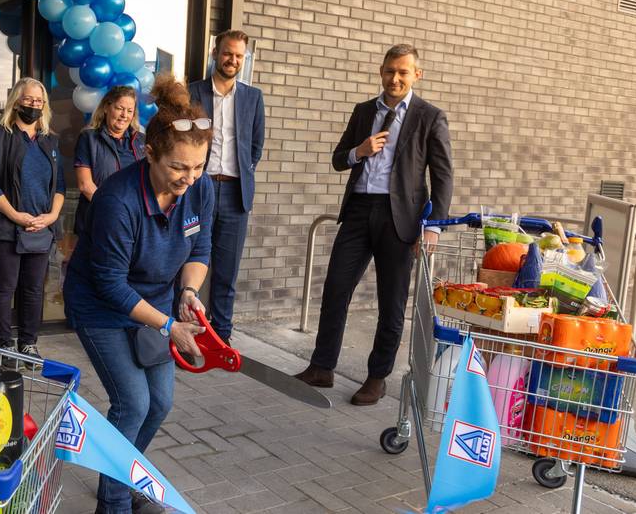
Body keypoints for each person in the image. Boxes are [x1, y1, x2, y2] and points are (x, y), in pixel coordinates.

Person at [63, 74, 211, 514]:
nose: (189, 178)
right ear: (149, 153)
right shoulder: (117, 200)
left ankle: (124, 476)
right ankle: (113, 503)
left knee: (160, 402)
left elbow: (200, 245)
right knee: (133, 401)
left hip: (156, 301)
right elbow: (109, 283)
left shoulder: (198, 188)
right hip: (101, 306)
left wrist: (187, 291)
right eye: (178, 167)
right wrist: (169, 325)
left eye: (198, 166)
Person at [294, 44, 454, 406]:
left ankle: (377, 377)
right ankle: (322, 367)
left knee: (391, 302)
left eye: (402, 72)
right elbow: (339, 159)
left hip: (401, 220)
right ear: (381, 72)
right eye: (388, 71)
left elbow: (443, 177)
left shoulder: (430, 117)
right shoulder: (364, 111)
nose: (394, 78)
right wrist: (359, 152)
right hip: (358, 210)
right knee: (335, 288)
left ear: (417, 74)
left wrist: (434, 227)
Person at [0, 77, 65, 364]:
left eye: (39, 101)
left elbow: (60, 186)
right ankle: (4, 346)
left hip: (40, 227)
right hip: (5, 227)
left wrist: (51, 217)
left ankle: (29, 344)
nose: (34, 105)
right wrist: (15, 215)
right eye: (28, 100)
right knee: (6, 286)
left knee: (33, 289)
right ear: (16, 101)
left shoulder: (50, 141)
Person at [188, 29, 265, 344]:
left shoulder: (252, 97)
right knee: (187, 262)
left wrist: (240, 173)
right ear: (215, 54)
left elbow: (255, 147)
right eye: (227, 53)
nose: (232, 60)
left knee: (226, 273)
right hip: (198, 191)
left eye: (238, 55)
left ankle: (221, 337)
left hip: (235, 194)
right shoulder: (193, 92)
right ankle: (183, 333)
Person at [72, 85, 145, 238]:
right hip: (98, 219)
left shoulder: (140, 141)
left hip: (133, 222)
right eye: (120, 108)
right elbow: (85, 185)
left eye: (129, 111)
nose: (124, 115)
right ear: (106, 107)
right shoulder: (89, 138)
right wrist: (114, 209)